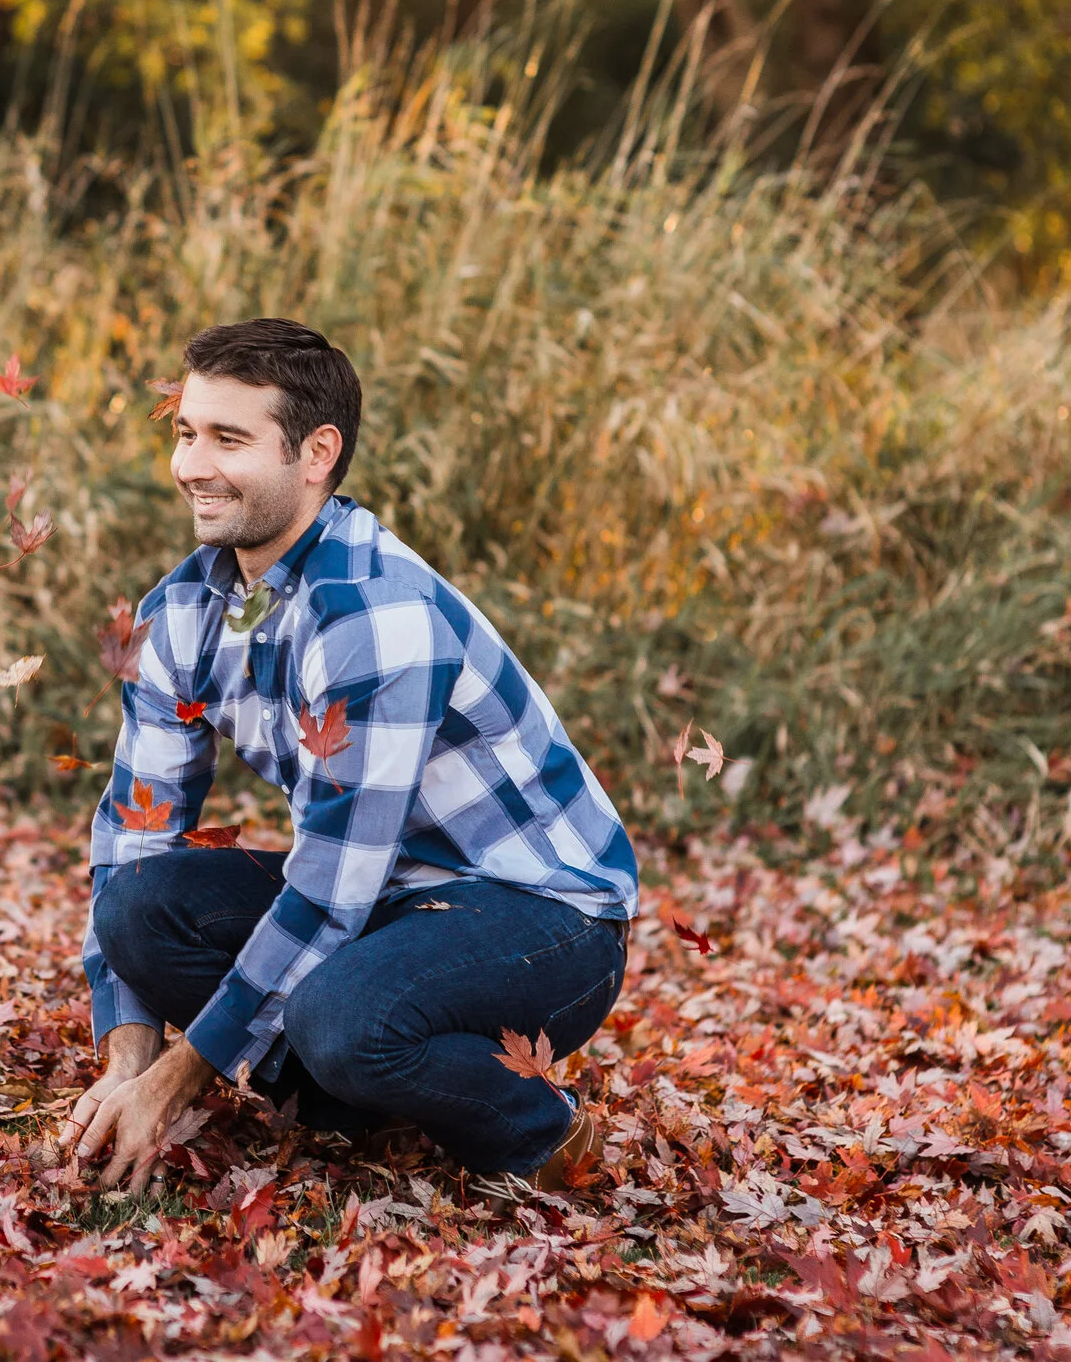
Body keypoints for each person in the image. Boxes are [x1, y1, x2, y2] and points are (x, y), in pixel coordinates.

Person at [62, 320, 639, 1192]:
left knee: (340, 1018)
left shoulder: (372, 614)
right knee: (141, 906)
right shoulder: (182, 612)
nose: (190, 464)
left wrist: (182, 1079)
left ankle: (537, 1129)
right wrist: (128, 1064)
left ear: (316, 453)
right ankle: (359, 1102)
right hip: (390, 896)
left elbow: (331, 889)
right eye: (185, 432)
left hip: (541, 914)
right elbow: (134, 836)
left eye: (228, 438)